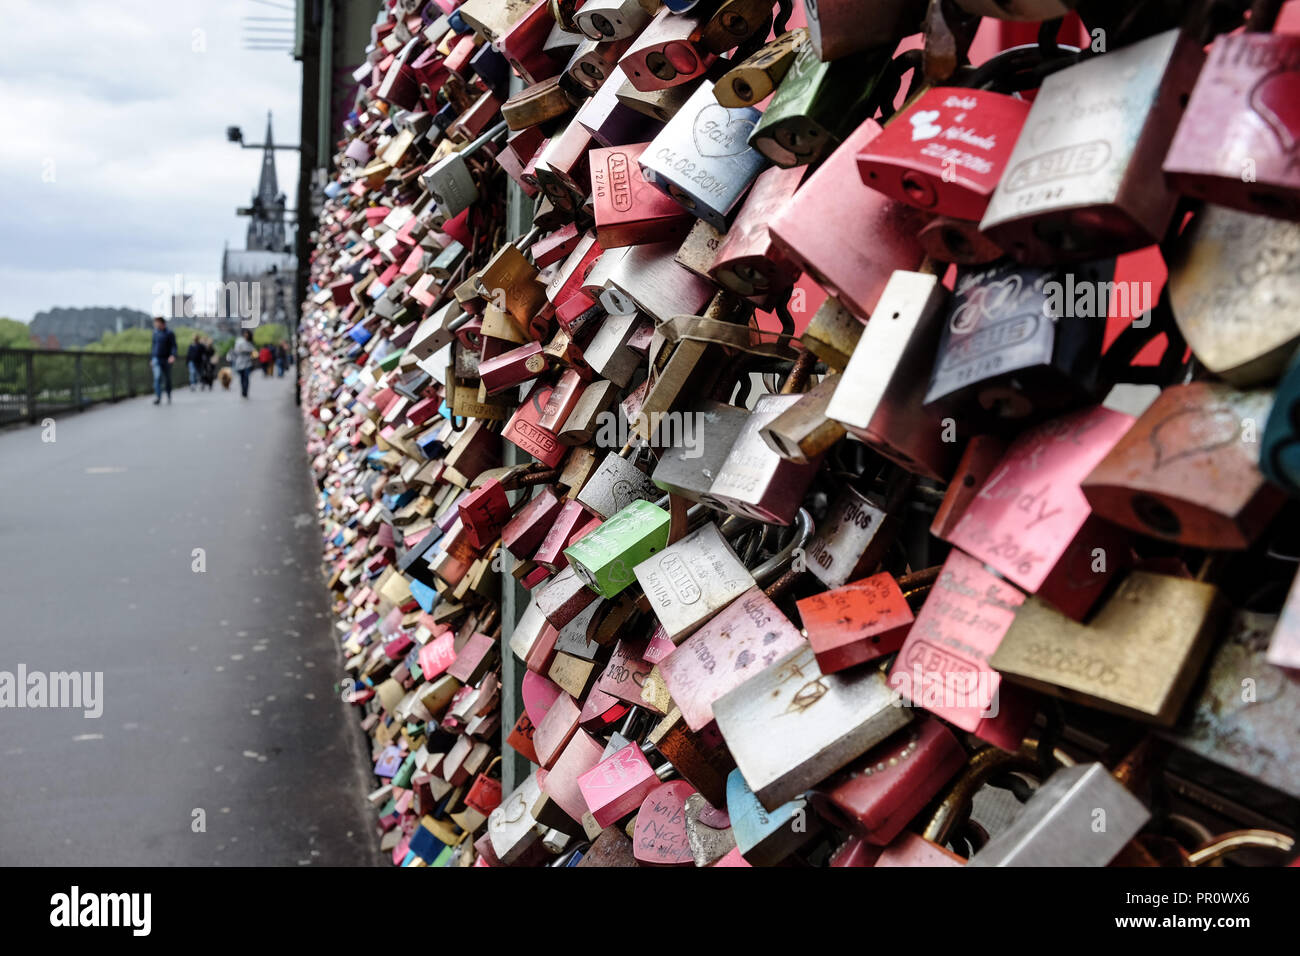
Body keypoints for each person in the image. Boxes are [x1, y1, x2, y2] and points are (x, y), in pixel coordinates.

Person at [150, 316, 177, 405]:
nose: (155, 324)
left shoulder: (169, 333)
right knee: (157, 377)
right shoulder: (155, 333)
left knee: (167, 378)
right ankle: (158, 396)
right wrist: (152, 358)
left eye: (156, 322)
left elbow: (174, 346)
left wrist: (172, 355)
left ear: (162, 323)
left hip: (166, 359)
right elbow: (153, 347)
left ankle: (168, 394)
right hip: (157, 358)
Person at [231, 330, 256, 399]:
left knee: (246, 377)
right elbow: (236, 351)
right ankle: (243, 390)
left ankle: (245, 391)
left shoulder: (250, 342)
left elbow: (253, 351)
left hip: (248, 363)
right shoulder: (239, 341)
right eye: (245, 334)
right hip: (240, 363)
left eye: (247, 334)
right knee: (242, 378)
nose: (246, 335)